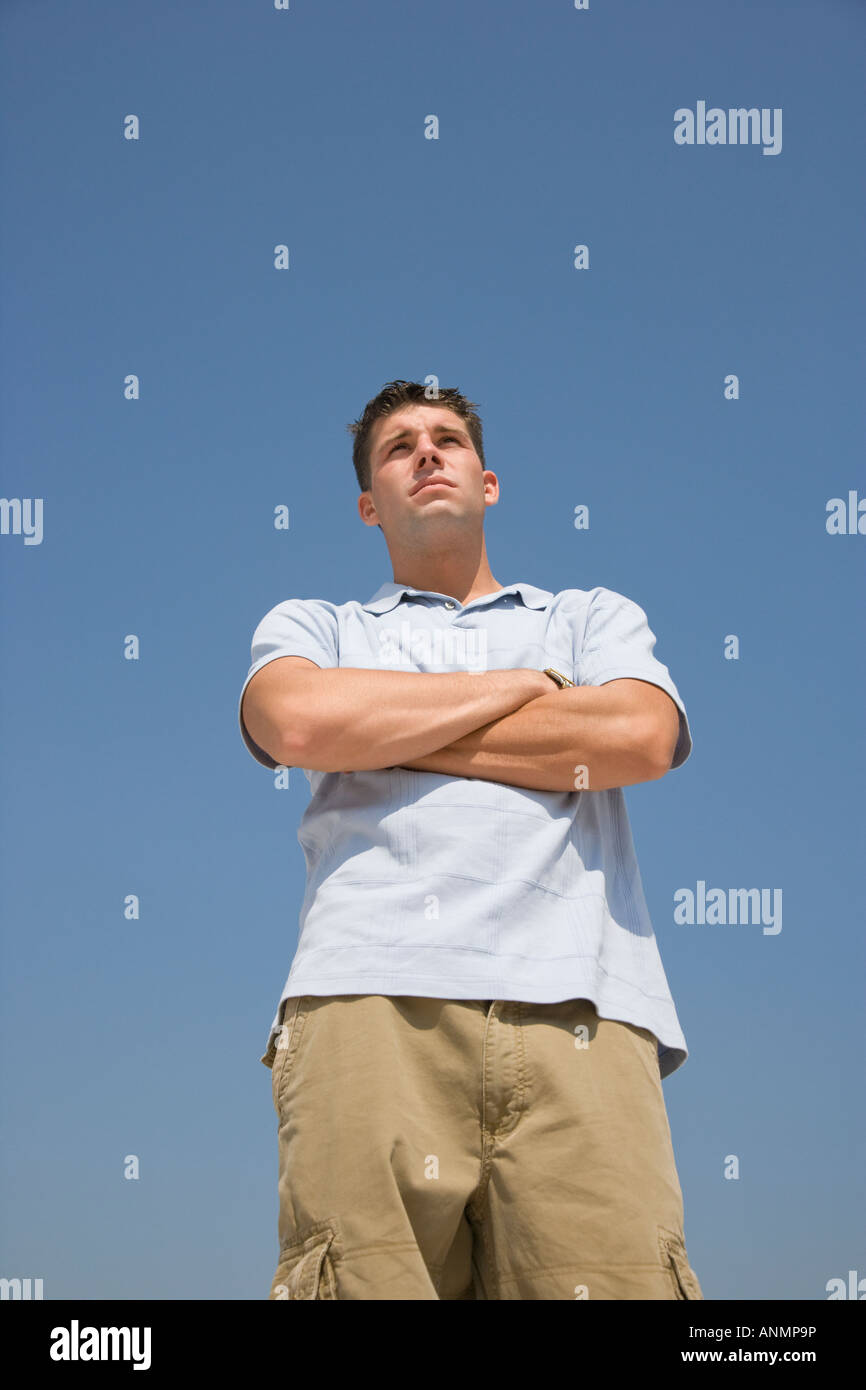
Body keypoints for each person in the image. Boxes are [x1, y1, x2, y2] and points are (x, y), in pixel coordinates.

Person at [238, 378, 704, 1301]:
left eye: (447, 438)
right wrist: (530, 687)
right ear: (370, 503)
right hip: (368, 998)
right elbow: (293, 725)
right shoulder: (317, 626)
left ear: (488, 482)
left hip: (583, 1006)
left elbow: (639, 740)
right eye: (398, 445)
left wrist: (386, 733)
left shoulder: (589, 616)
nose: (426, 452)